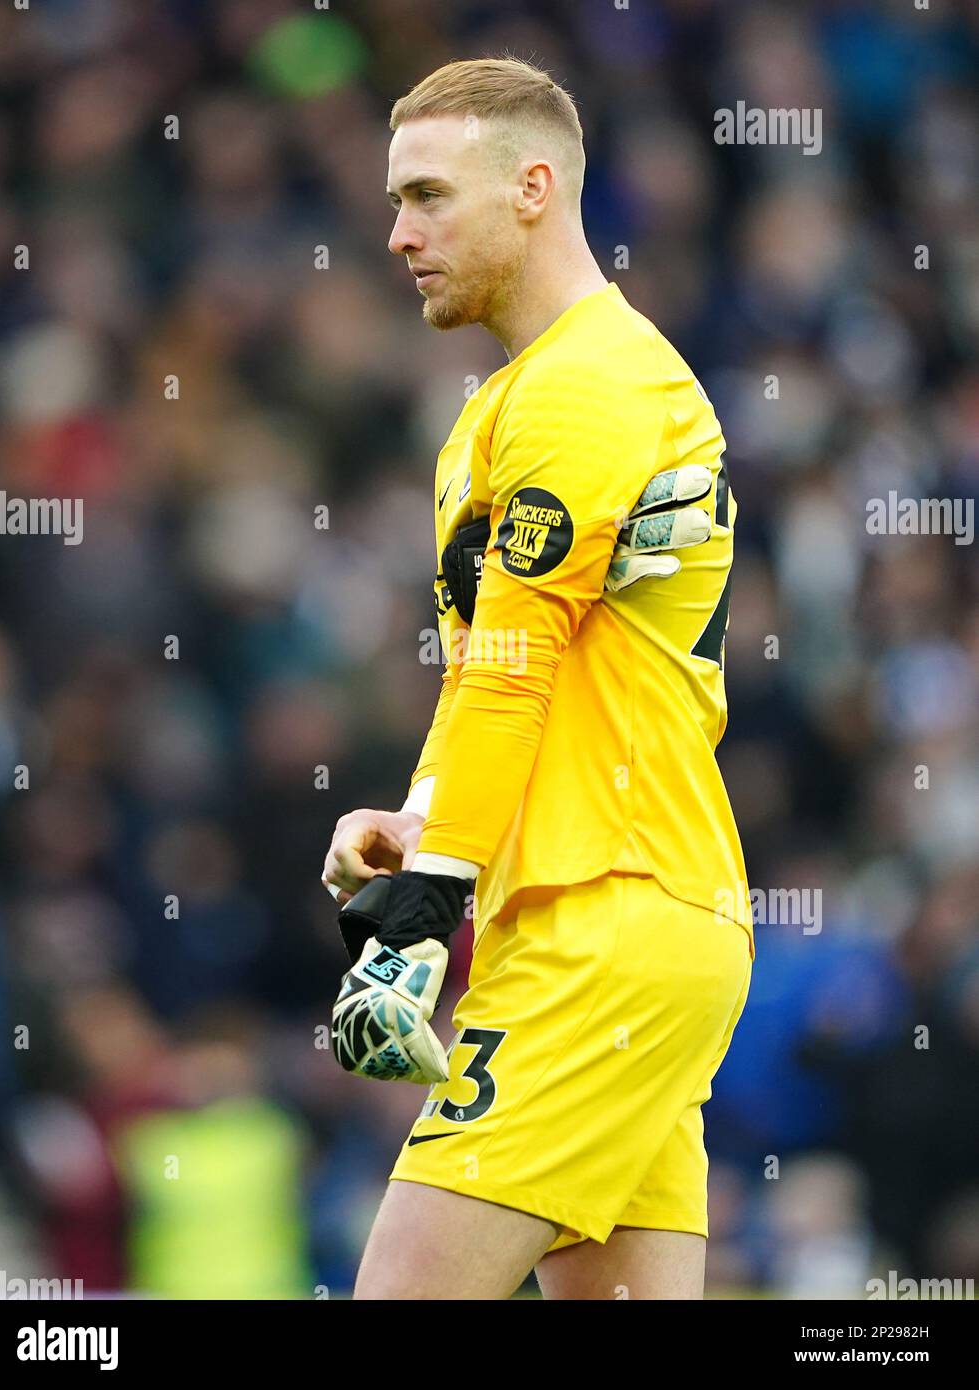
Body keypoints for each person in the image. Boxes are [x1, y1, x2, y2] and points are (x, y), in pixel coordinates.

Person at [321, 56, 753, 1301]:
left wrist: (420, 917)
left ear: (533, 187)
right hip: (611, 913)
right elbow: (515, 680)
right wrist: (426, 828)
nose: (397, 234)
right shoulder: (504, 406)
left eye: (427, 196)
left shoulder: (587, 384)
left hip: (603, 912)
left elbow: (510, 667)